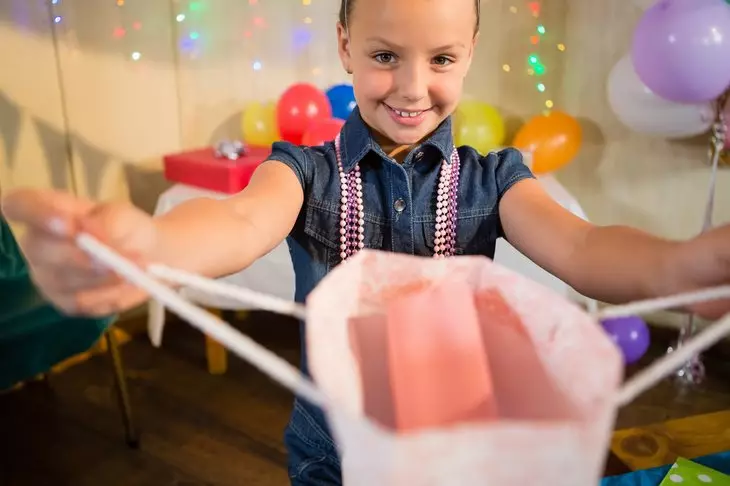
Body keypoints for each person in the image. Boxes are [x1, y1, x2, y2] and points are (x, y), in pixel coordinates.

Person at [2, 0, 729, 483]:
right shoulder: (303, 169)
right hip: (331, 445)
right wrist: (152, 247)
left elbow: (583, 246)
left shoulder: (497, 178)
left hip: (462, 443)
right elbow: (239, 222)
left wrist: (678, 264)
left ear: (470, 53)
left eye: (441, 60)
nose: (413, 88)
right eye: (386, 56)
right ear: (345, 47)